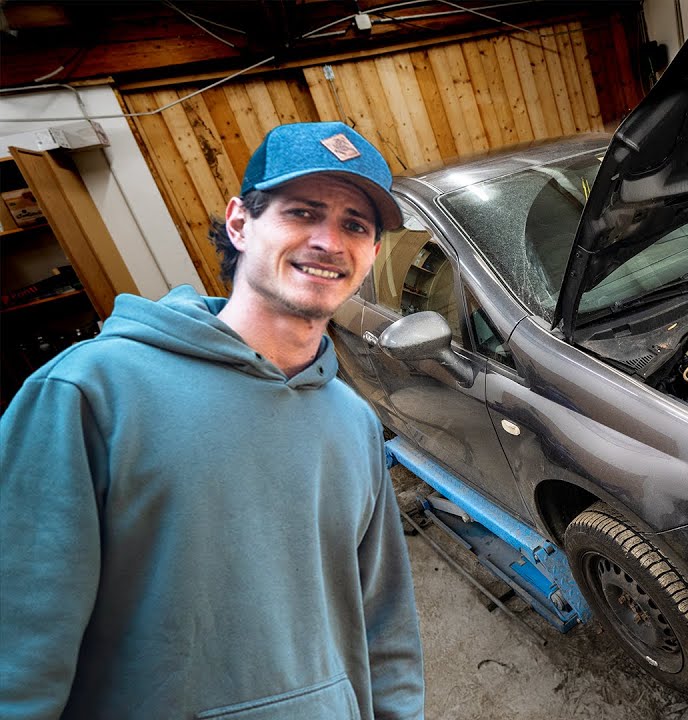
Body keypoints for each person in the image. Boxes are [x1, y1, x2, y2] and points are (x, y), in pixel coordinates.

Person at [0, 122, 425, 720]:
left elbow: (385, 621)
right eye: (303, 212)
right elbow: (18, 656)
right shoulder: (90, 393)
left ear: (372, 254)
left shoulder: (353, 421)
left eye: (356, 225)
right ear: (239, 223)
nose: (329, 241)